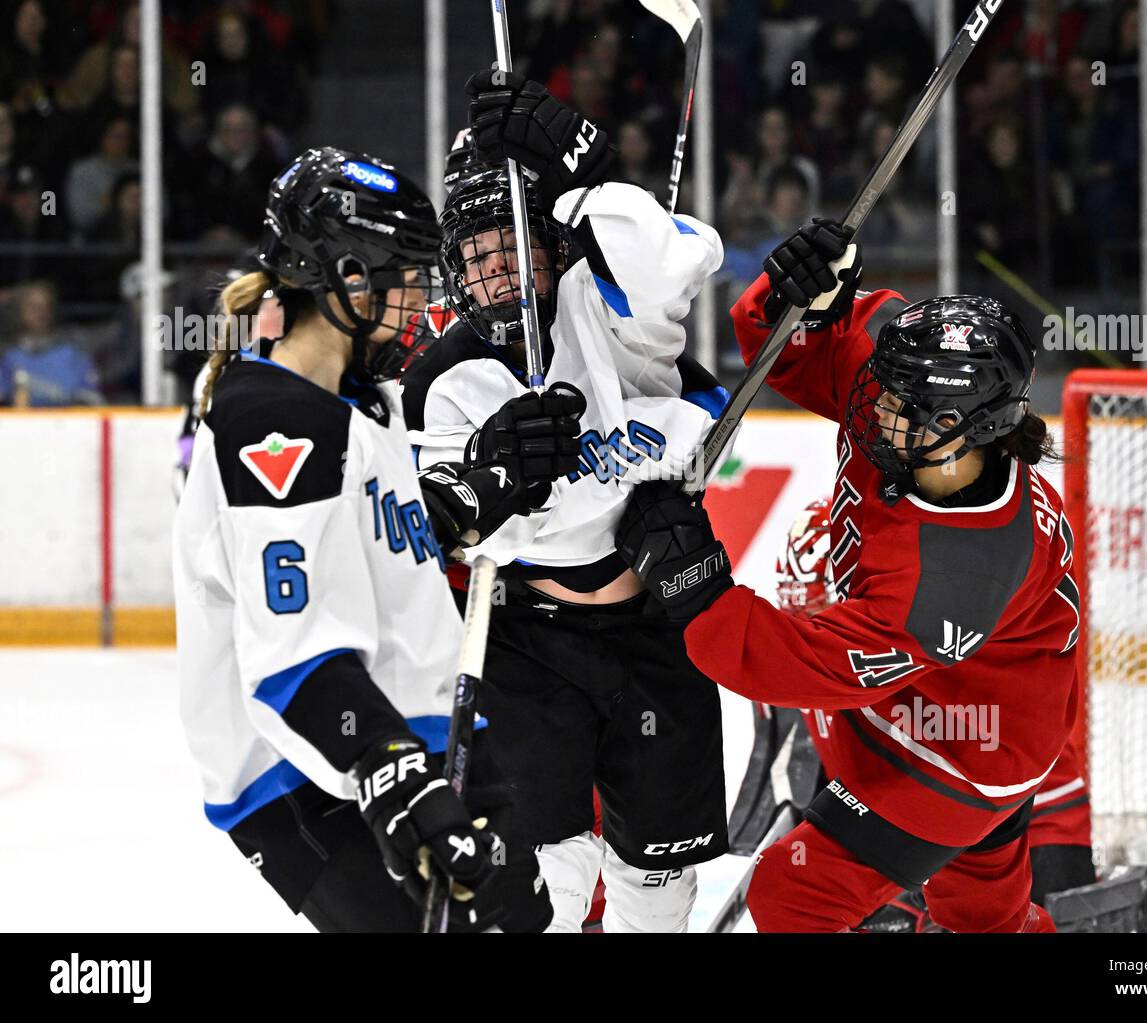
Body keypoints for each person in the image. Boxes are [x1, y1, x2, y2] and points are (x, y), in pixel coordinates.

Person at [617, 219, 1081, 932]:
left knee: (793, 892)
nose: (874, 404)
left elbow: (799, 663)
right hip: (978, 699)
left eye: (901, 408)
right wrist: (807, 294)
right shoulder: (911, 395)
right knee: (982, 914)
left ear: (967, 430)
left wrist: (695, 582)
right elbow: (794, 347)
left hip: (957, 750)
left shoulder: (956, 575)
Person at [172, 145, 581, 932]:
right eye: (409, 282)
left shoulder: (362, 402)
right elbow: (295, 653)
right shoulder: (273, 425)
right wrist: (391, 771)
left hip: (418, 732)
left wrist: (480, 484)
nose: (423, 305)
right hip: (311, 777)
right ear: (350, 282)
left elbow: (374, 545)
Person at [401, 70, 729, 932]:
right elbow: (434, 527)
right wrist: (492, 482)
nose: (499, 270)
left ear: (558, 242)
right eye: (478, 253)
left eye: (517, 245)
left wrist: (584, 165)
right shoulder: (443, 377)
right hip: (528, 645)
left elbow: (676, 260)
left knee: (656, 890)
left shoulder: (612, 309)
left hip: (655, 625)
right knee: (549, 867)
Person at [770, 496, 1095, 927]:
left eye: (823, 618)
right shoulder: (834, 662)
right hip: (943, 833)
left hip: (1032, 831)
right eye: (802, 619)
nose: (813, 635)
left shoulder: (926, 648)